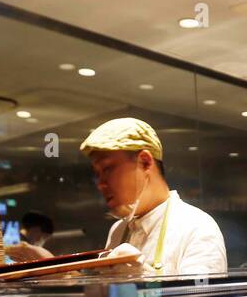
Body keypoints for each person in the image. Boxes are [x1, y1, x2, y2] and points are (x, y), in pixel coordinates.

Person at [78, 117, 227, 276]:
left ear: (145, 162)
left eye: (107, 169)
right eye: (97, 174)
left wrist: (143, 276)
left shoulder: (196, 227)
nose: (100, 184)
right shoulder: (118, 230)